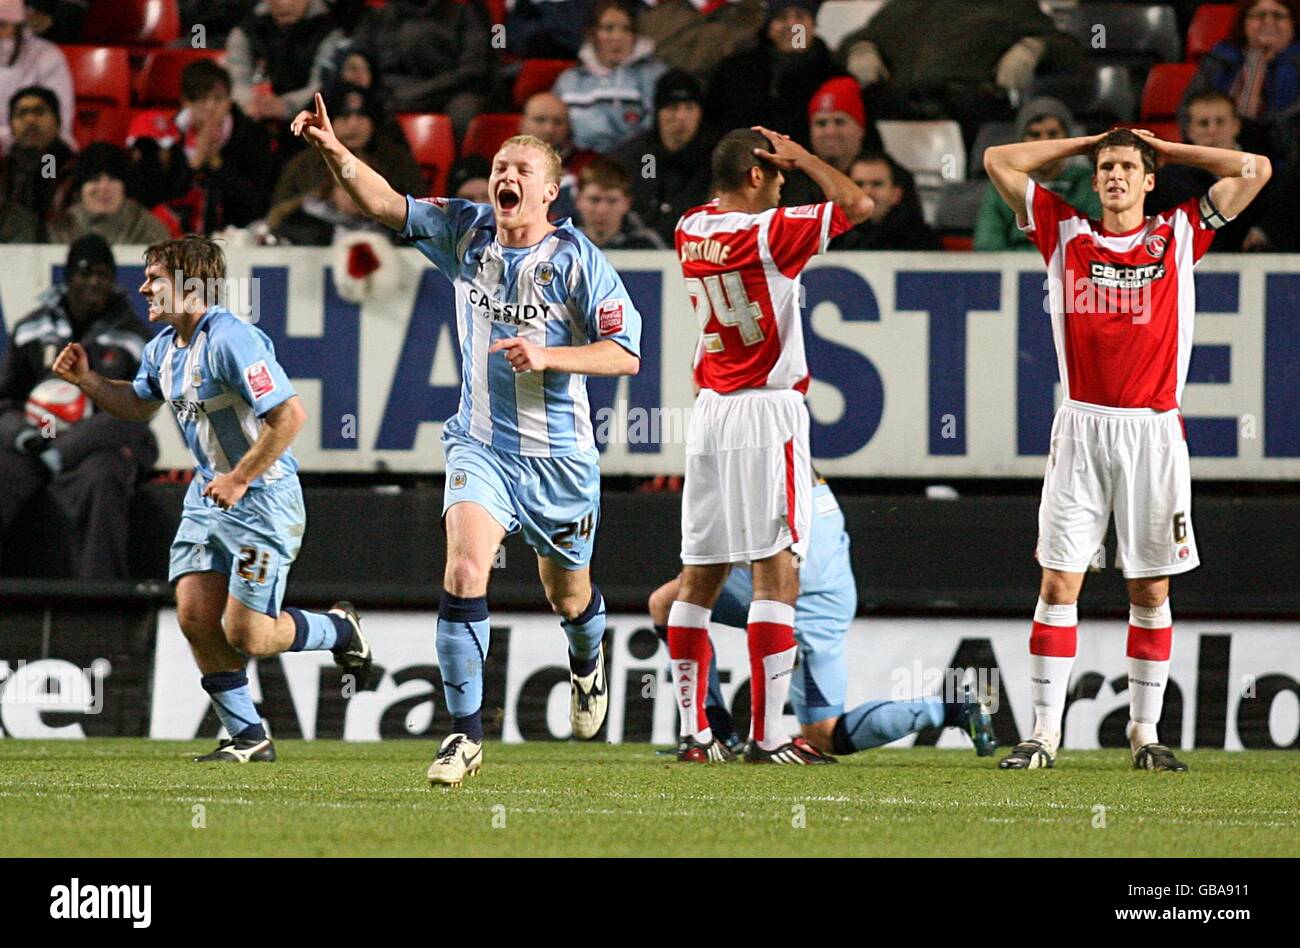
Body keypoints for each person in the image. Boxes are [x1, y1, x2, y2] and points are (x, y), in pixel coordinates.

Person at [290, 93, 643, 786]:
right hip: (479, 444)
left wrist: (550, 357)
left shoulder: (577, 261)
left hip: (561, 461)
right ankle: (464, 738)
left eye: (519, 169)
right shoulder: (467, 231)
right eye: (496, 167)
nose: (503, 176)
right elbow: (385, 203)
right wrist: (333, 151)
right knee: (462, 570)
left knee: (568, 598)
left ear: (548, 191)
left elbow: (625, 354)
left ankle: (586, 659)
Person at [983, 127, 1271, 771]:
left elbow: (1255, 169)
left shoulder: (1179, 233)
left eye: (1127, 167)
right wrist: (1086, 142)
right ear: (1096, 179)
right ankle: (1043, 736)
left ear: (1147, 182)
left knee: (1149, 589)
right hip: (1082, 427)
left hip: (1153, 431)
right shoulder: (1064, 232)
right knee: (1059, 582)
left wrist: (1168, 152)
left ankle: (1145, 734)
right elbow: (998, 159)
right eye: (1106, 167)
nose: (1114, 175)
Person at [51, 235, 378, 763]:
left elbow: (289, 416)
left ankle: (340, 630)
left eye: (155, 277)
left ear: (190, 284)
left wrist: (241, 478)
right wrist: (87, 379)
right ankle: (248, 736)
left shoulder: (233, 340)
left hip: (261, 501)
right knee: (195, 615)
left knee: (247, 634)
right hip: (209, 499)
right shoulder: (162, 349)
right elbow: (136, 406)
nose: (144, 287)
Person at [668, 126, 871, 764]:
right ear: (758, 173)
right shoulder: (771, 234)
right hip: (766, 411)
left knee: (698, 576)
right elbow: (859, 205)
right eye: (777, 174)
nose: (784, 185)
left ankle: (694, 735)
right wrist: (809, 159)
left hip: (709, 413)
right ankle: (768, 734)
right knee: (776, 574)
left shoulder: (688, 228)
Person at [650, 473, 995, 760]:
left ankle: (949, 708)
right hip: (813, 566)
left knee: (823, 735)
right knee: (669, 602)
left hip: (812, 598)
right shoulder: (778, 449)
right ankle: (720, 734)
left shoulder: (765, 449)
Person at [0, 236, 156, 579]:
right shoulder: (31, 329)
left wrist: (64, 451)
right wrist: (28, 437)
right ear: (69, 277)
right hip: (37, 438)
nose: (95, 283)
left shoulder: (133, 337)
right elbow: (7, 400)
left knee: (105, 475)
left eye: (104, 275)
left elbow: (136, 411)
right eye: (86, 273)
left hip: (97, 445)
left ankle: (100, 600)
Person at [837, 0, 1082, 145]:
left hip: (972, 106)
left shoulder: (1011, 4)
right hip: (900, 105)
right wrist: (860, 49)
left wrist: (1033, 48)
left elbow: (1068, 48)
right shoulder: (904, 7)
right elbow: (855, 40)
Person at [155, 60, 276, 234]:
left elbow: (257, 204)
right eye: (201, 100)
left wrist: (216, 163)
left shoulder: (252, 135)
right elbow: (160, 199)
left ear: (229, 100)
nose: (210, 107)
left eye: (218, 99)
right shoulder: (167, 137)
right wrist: (195, 163)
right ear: (186, 102)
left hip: (238, 233)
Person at [348, 0, 493, 143]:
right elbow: (361, 48)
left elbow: (474, 69)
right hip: (393, 91)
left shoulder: (467, 9)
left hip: (452, 89)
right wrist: (358, 59)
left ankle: (464, 166)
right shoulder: (382, 12)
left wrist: (415, 92)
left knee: (464, 110)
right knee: (355, 102)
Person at [704, 0, 840, 149]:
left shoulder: (834, 77)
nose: (792, 25)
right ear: (769, 26)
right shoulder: (735, 71)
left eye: (799, 17)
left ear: (813, 24)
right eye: (782, 17)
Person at [1149, 91, 1272, 252]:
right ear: (1190, 131)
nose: (1212, 130)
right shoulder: (1168, 178)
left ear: (1236, 126)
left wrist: (1265, 231)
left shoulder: (1269, 167)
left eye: (1220, 122)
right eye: (1203, 123)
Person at [974, 97, 1100, 252]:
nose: (1043, 142)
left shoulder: (1089, 184)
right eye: (1035, 135)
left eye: (1053, 134)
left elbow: (1097, 242)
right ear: (1021, 141)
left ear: (1067, 140)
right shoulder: (1001, 185)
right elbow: (987, 247)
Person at [271, 82, 422, 208]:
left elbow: (419, 213)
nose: (353, 125)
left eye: (362, 116)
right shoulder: (304, 165)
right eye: (344, 117)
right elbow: (278, 216)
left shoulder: (396, 160)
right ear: (327, 122)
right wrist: (323, 196)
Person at [1183, 0, 1300, 159]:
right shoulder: (1220, 59)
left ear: (1293, 23)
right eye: (1259, 15)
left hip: (1286, 157)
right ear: (1244, 22)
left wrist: (1256, 132)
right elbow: (1190, 109)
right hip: (1220, 154)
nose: (1268, 21)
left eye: (1278, 16)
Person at [611, 69, 715, 245]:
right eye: (672, 108)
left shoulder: (713, 158)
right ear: (658, 112)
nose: (681, 117)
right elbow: (644, 192)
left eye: (689, 108)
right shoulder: (644, 156)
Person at [552, 0, 667, 153]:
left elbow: (656, 131)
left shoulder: (655, 76)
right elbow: (553, 130)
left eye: (626, 29)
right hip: (577, 164)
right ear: (593, 34)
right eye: (609, 28)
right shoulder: (569, 80)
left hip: (633, 163)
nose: (617, 37)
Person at [225, 0, 346, 124]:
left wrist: (286, 106)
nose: (283, 3)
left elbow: (321, 84)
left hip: (310, 121)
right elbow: (235, 80)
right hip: (251, 118)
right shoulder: (245, 31)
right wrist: (249, 102)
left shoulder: (331, 32)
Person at [780, 76, 878, 207]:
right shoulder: (789, 182)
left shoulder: (885, 177)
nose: (830, 132)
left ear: (860, 128)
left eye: (839, 122)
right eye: (821, 123)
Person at [48, 143, 172, 247]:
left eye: (113, 178)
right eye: (94, 179)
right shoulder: (60, 228)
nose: (104, 187)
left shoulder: (147, 228)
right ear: (80, 189)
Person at [0, 0, 73, 153]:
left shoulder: (47, 56)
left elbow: (58, 121)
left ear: (17, 26)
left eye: (2, 25)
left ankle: (49, 175)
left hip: (41, 148)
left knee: (50, 162)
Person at [832, 151, 940, 250]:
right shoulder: (829, 235)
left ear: (896, 194)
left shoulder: (921, 239)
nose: (867, 192)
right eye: (859, 184)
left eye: (877, 184)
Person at [4, 85, 73, 237]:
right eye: (22, 113)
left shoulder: (73, 168)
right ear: (11, 125)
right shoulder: (3, 169)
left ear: (58, 122)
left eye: (40, 112)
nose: (30, 120)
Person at [519, 91, 595, 221]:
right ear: (522, 124)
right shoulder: (502, 163)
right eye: (540, 120)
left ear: (569, 127)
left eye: (558, 122)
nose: (549, 129)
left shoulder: (589, 164)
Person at [573, 157, 664, 248]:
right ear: (578, 200)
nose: (602, 210)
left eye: (612, 201)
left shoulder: (647, 244)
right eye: (594, 200)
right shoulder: (561, 241)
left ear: (627, 203)